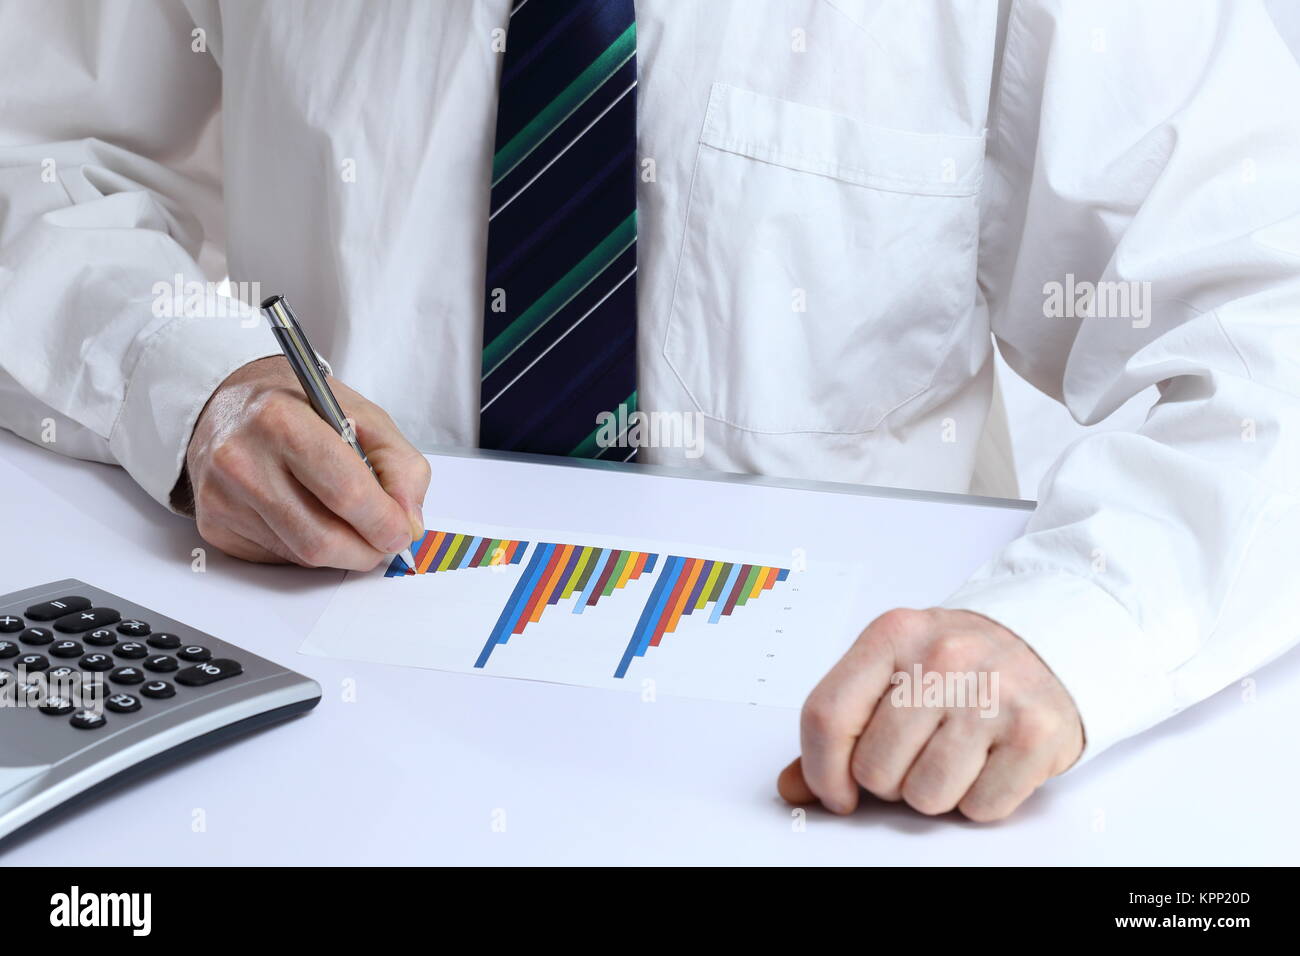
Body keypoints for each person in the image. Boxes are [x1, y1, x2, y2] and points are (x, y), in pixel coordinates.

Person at [2, 0, 1298, 822]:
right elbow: (37, 152)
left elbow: (1264, 318)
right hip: (312, 729)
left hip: (829, 778)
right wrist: (196, 384)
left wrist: (1073, 629)